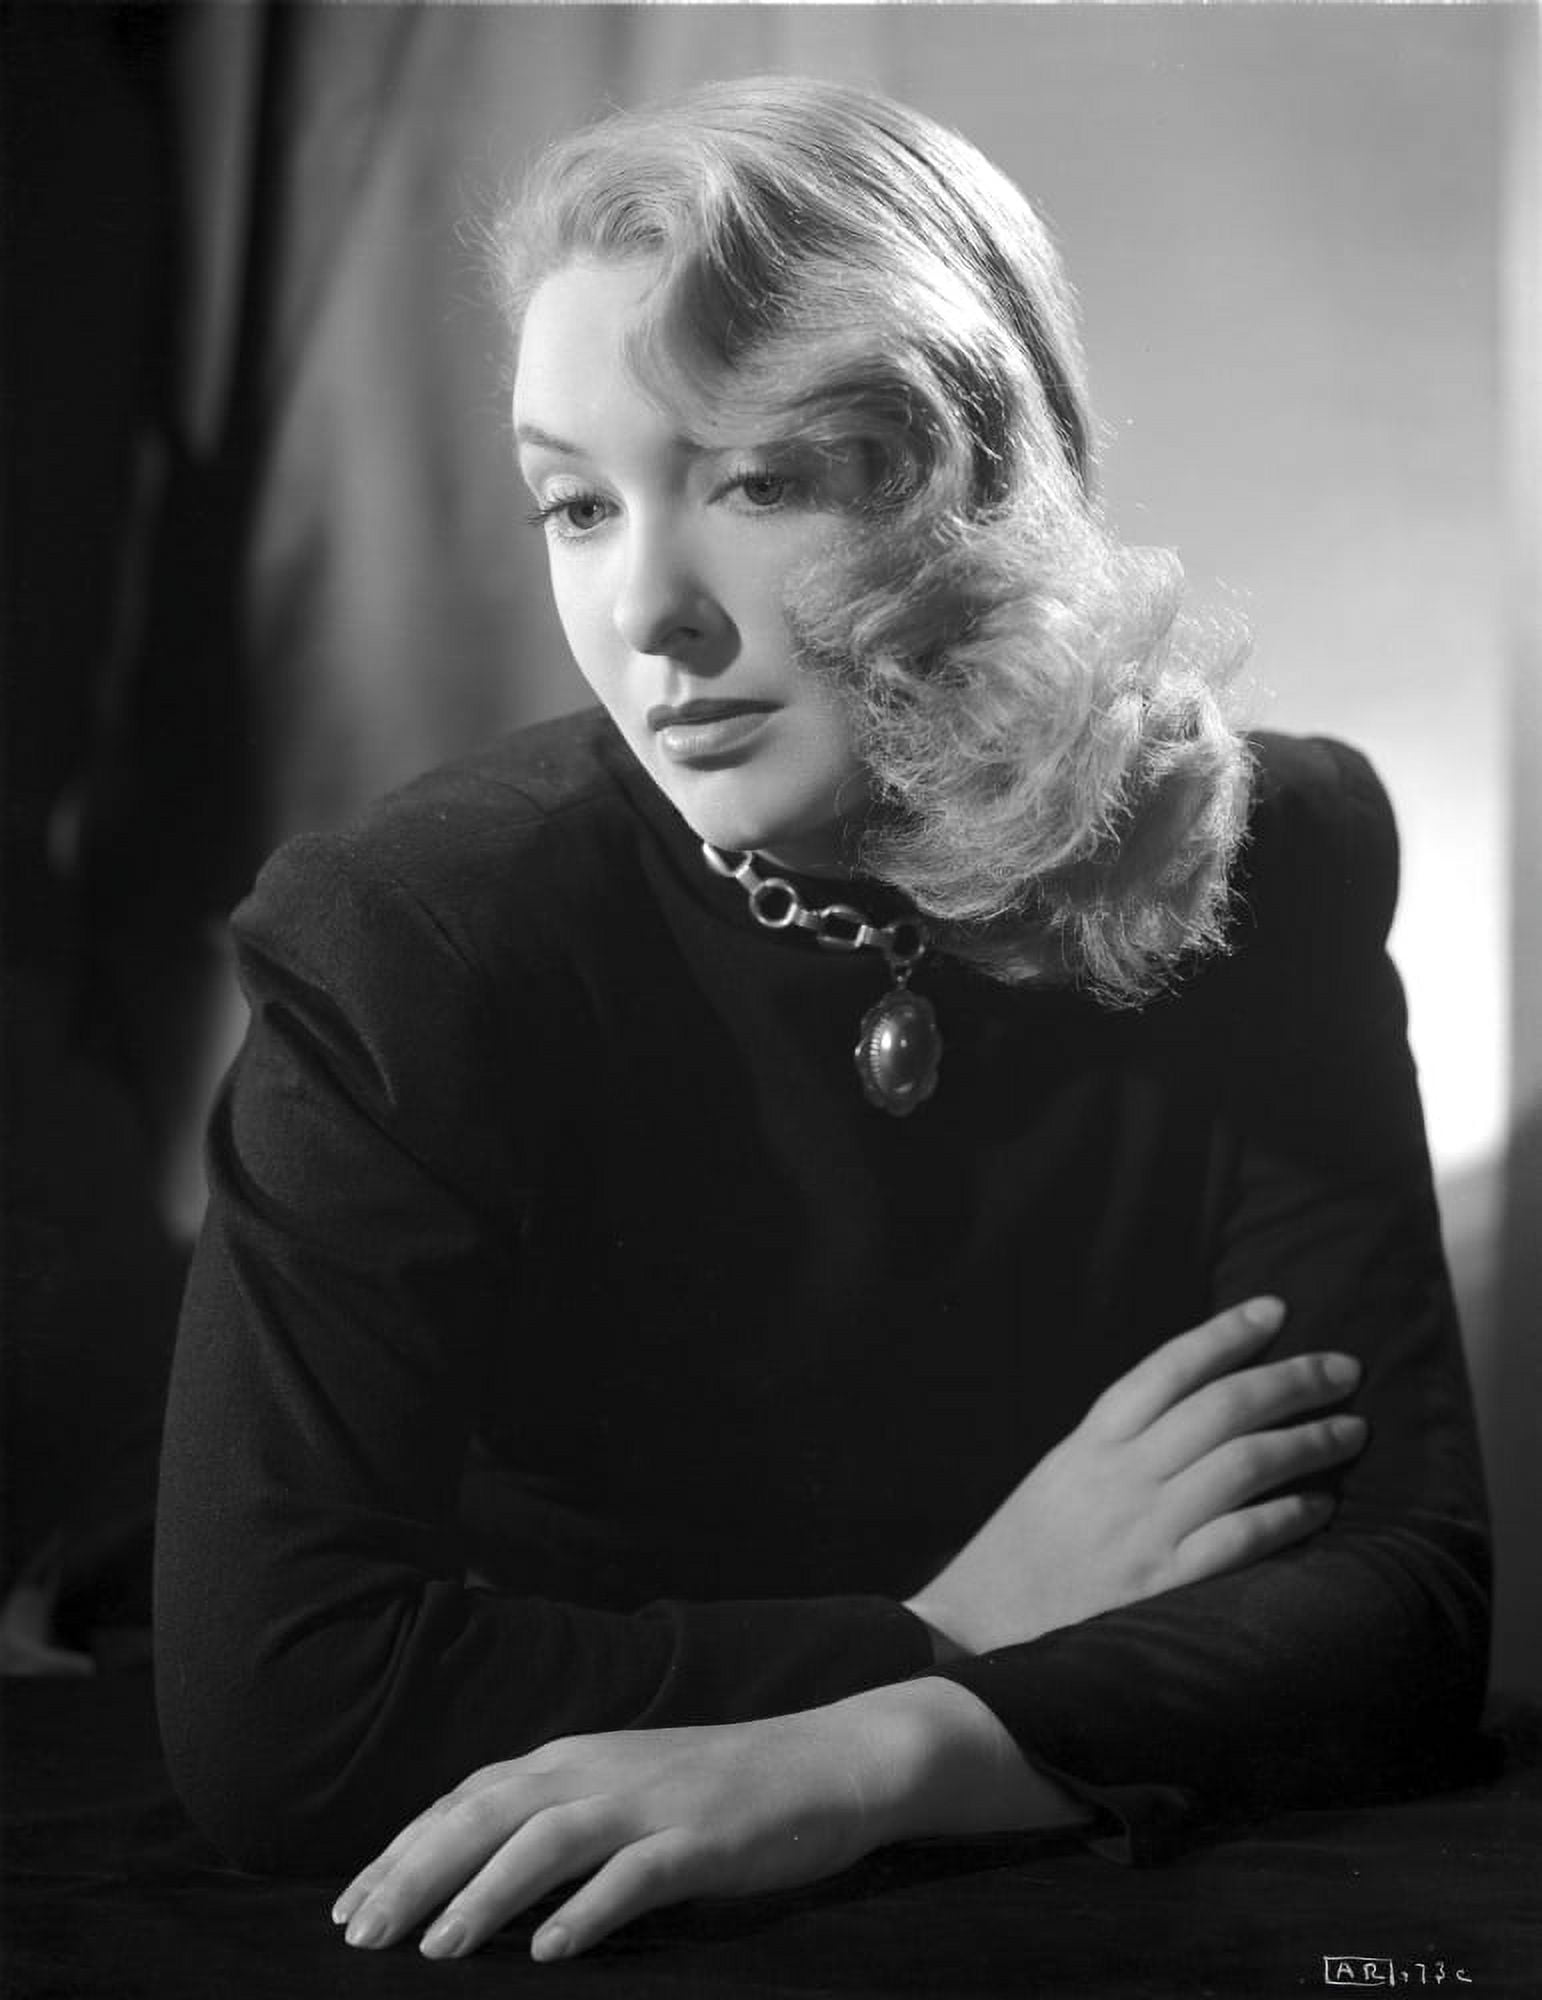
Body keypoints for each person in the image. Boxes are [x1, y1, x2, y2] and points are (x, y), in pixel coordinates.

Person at [153, 76, 1491, 1966]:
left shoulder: (1283, 853)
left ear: (982, 481)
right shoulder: (414, 939)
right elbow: (282, 1720)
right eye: (576, 501)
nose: (647, 611)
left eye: (757, 481)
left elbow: (1404, 1596)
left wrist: (877, 1753)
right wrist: (950, 1624)